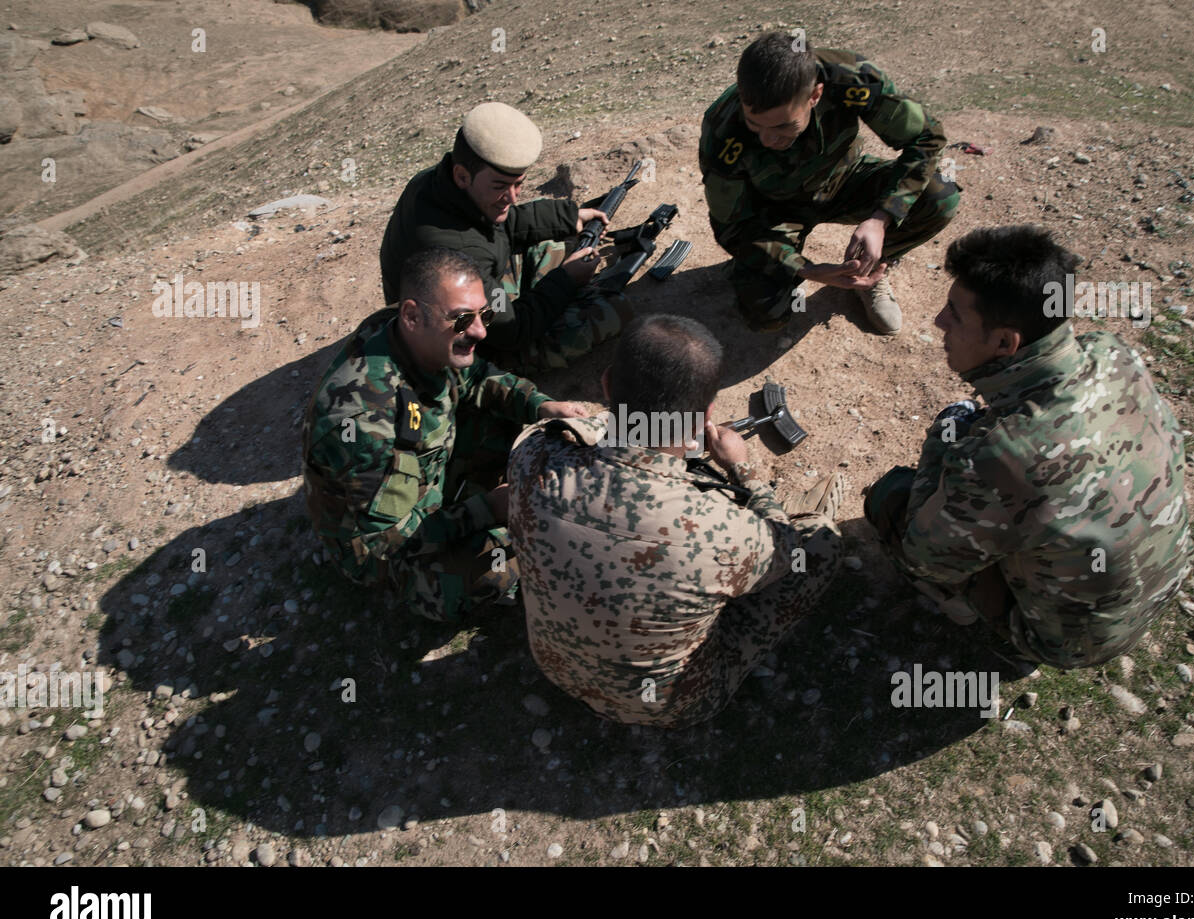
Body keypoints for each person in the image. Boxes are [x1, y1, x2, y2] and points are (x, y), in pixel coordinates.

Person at [864, 225, 1192, 668]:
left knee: (892, 496)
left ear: (1004, 343)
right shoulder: (1113, 353)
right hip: (1156, 587)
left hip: (1078, 642)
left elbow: (926, 557)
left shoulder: (1002, 457)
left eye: (955, 315)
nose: (939, 321)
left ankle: (997, 634)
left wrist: (943, 443)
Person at [507, 313, 845, 728]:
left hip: (556, 667)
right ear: (707, 415)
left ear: (607, 385)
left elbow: (597, 431)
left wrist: (658, 438)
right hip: (670, 705)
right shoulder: (723, 531)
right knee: (820, 542)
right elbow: (786, 549)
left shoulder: (532, 454)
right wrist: (744, 471)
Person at [302, 246, 586, 623]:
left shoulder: (413, 335)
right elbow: (392, 542)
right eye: (462, 319)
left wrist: (540, 405)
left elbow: (476, 378)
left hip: (418, 483)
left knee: (511, 420)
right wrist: (491, 509)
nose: (481, 331)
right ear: (412, 315)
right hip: (387, 551)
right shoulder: (363, 422)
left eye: (484, 314)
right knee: (500, 566)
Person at [699, 31, 959, 336]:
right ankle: (769, 266)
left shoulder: (849, 77)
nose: (768, 139)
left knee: (940, 195)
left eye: (784, 126)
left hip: (845, 180)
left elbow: (926, 137)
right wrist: (805, 269)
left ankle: (870, 269)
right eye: (755, 125)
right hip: (775, 214)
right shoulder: (722, 128)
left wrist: (881, 218)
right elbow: (731, 226)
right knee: (766, 313)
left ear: (815, 95)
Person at [379, 101, 633, 372]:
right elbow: (514, 331)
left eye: (518, 184)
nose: (512, 197)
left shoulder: (442, 183)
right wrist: (567, 279)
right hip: (457, 342)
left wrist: (570, 218)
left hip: (465, 292)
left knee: (556, 246)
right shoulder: (457, 251)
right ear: (462, 176)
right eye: (500, 186)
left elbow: (502, 223)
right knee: (611, 311)